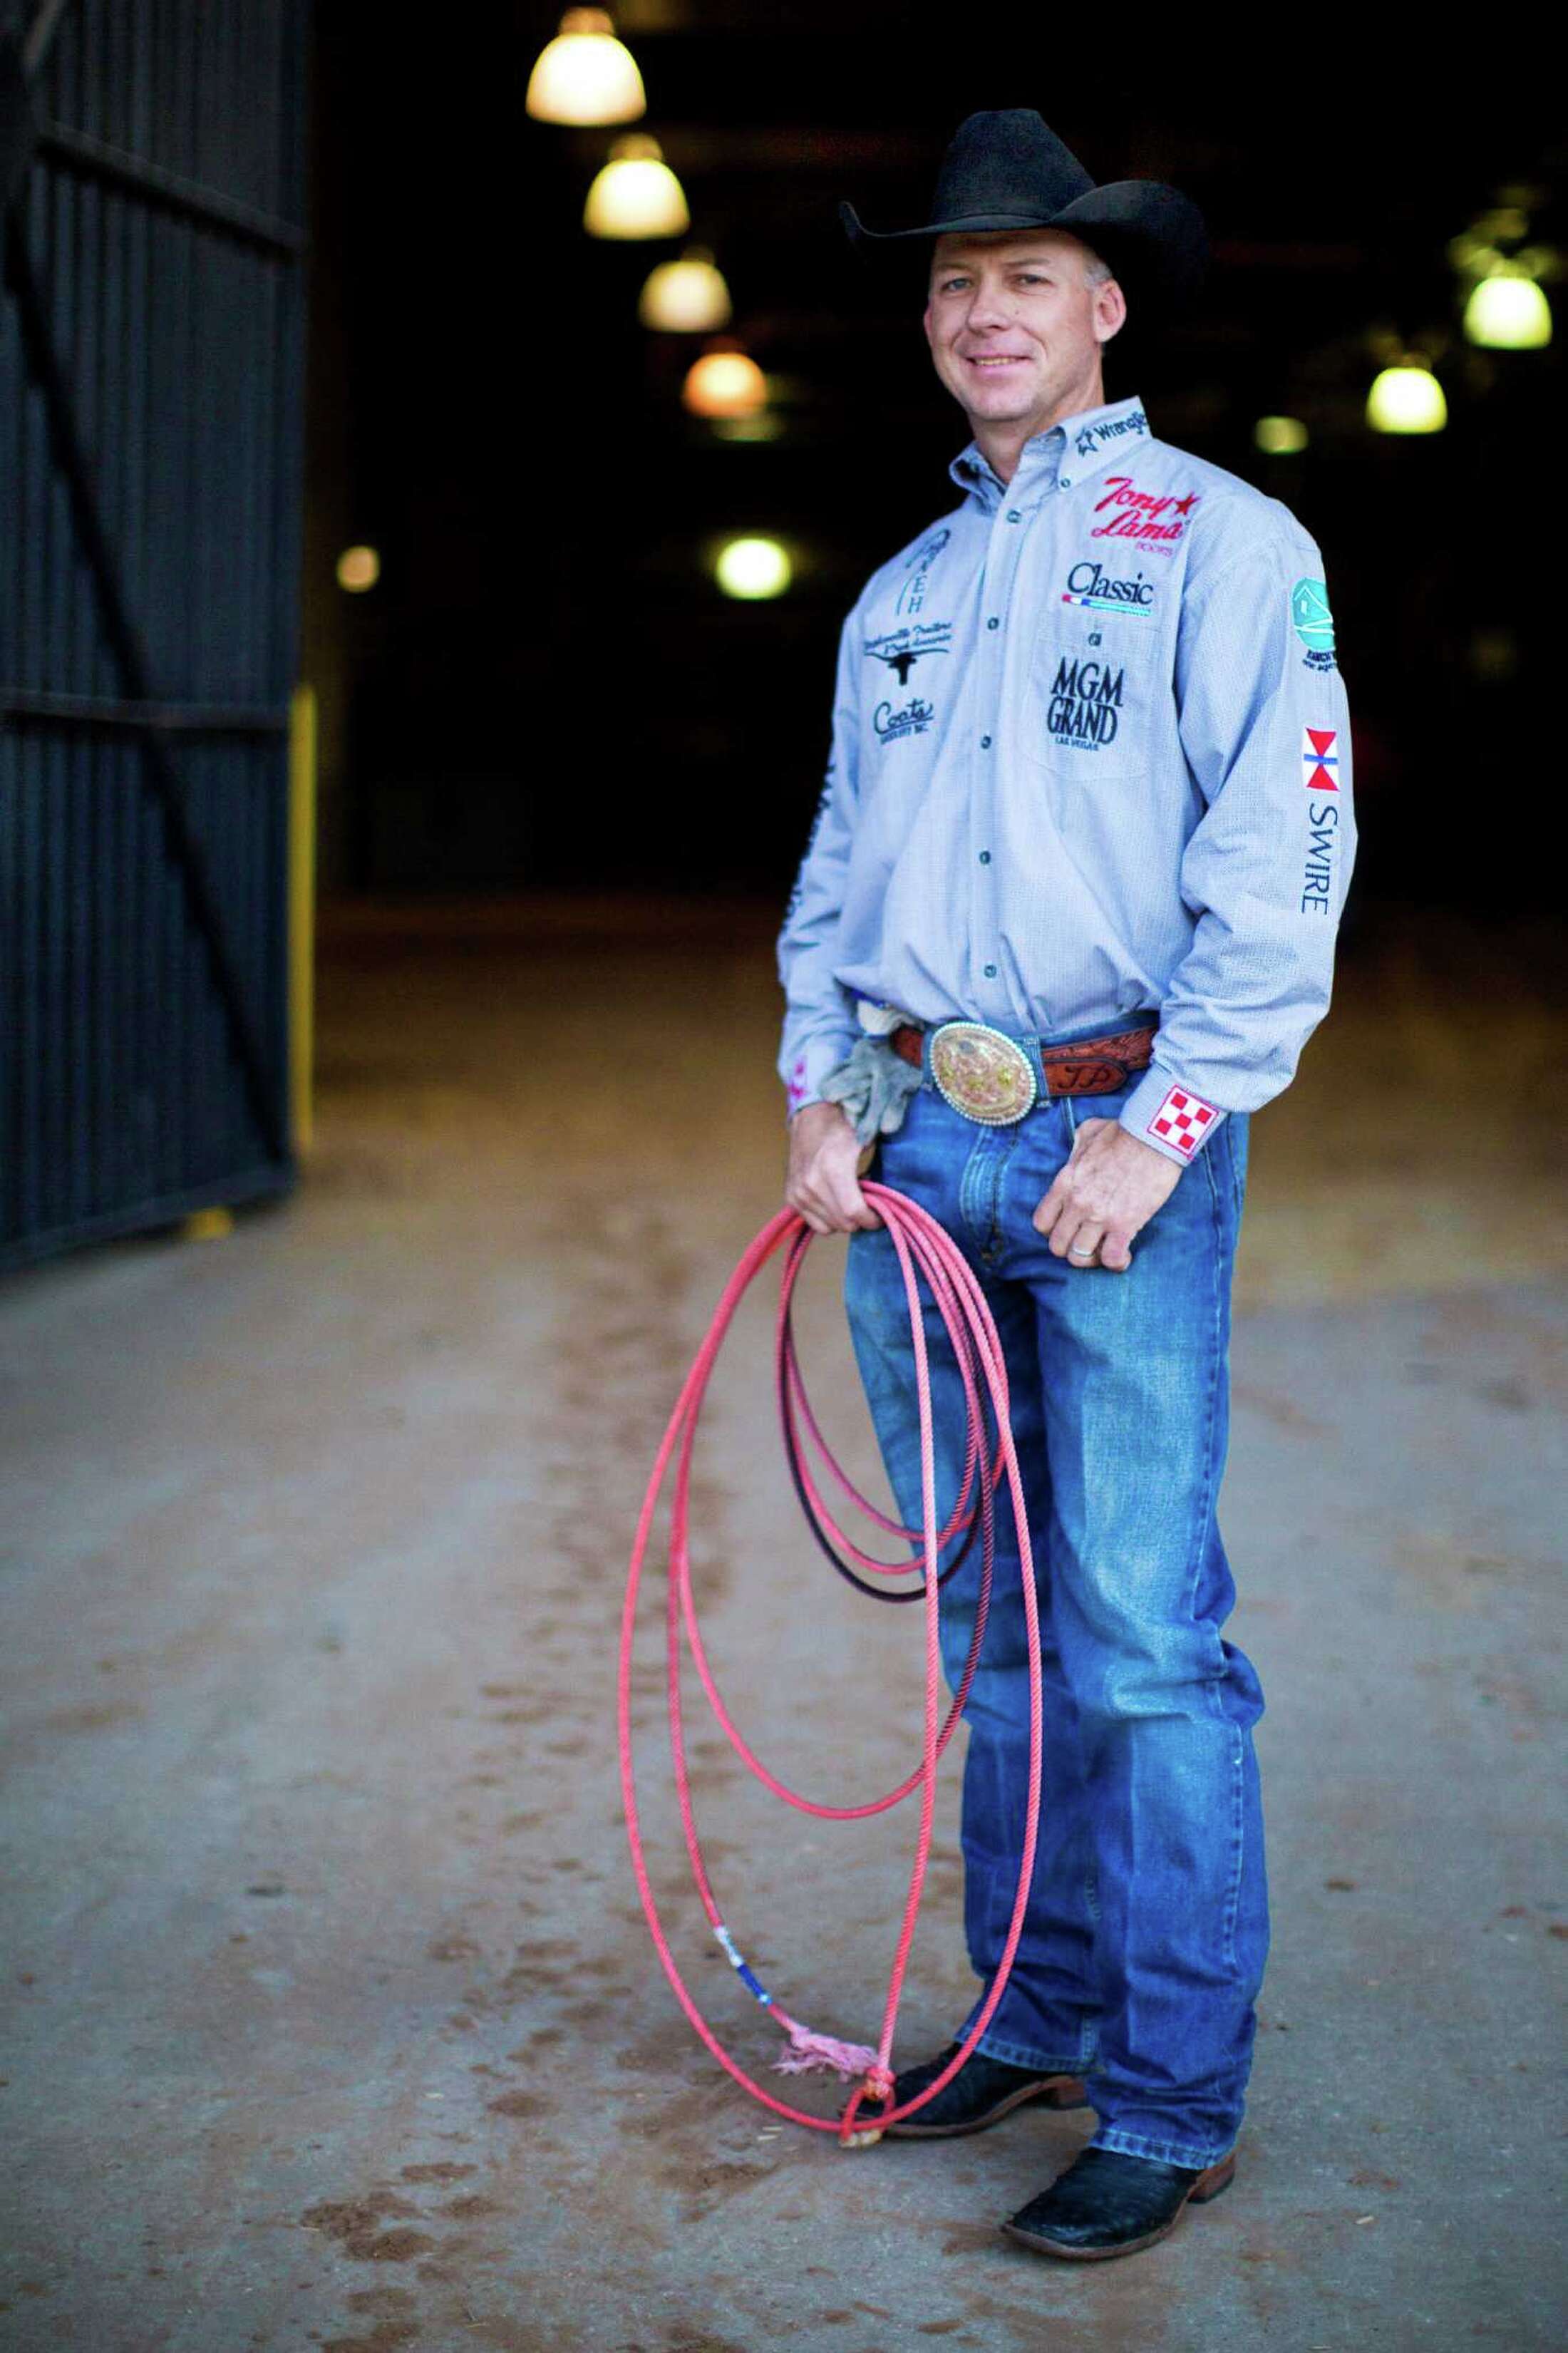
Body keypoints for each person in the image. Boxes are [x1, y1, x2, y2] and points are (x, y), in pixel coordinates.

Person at [775, 109, 1356, 2262]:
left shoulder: (1226, 542)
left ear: (1104, 307)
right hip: (921, 1142)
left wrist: (1168, 1126)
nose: (980, 312)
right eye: (950, 284)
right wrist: (824, 1089)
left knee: (1137, 1637)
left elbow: (1285, 858)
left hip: (1119, 1137)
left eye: (1024, 277)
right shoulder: (905, 597)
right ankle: (1036, 2004)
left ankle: (1176, 2097)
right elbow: (847, 863)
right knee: (994, 1623)